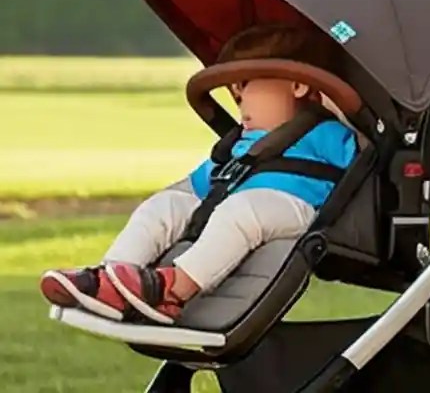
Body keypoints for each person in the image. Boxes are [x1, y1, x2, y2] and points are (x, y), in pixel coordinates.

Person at [40, 23, 358, 325]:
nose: (237, 95)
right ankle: (111, 278)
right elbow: (197, 189)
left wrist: (333, 97)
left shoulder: (325, 131)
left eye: (246, 83)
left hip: (298, 205)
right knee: (162, 207)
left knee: (241, 211)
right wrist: (175, 204)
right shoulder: (240, 143)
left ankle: (173, 291)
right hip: (235, 198)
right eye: (233, 87)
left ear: (298, 84)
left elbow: (360, 146)